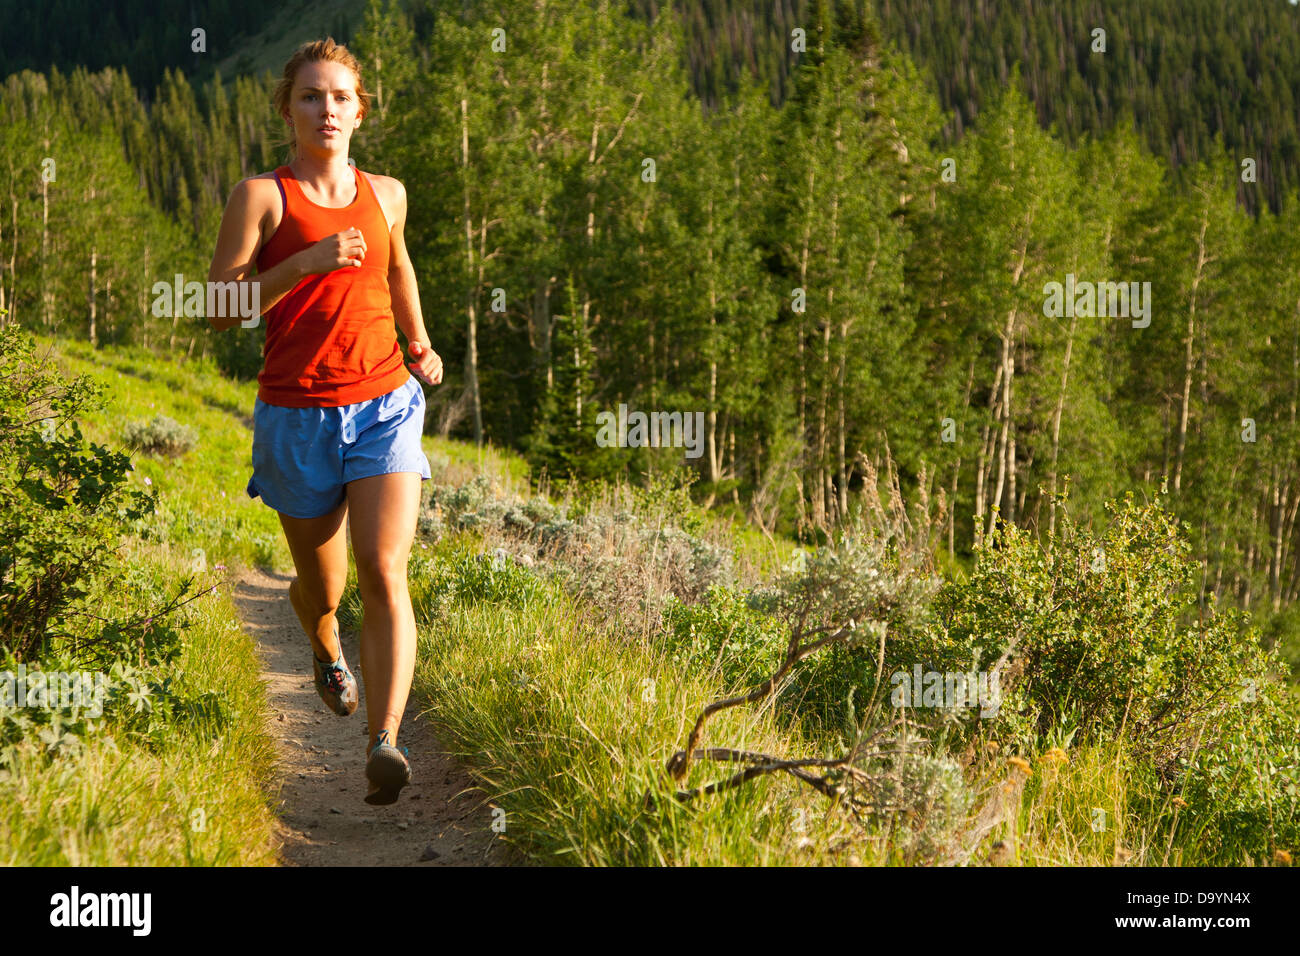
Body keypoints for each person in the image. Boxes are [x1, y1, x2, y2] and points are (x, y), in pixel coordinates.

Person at [207, 37, 443, 805]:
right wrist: (301, 264)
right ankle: (319, 638)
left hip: (383, 404)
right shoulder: (262, 197)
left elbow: (398, 265)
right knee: (326, 588)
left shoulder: (388, 192)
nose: (327, 109)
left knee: (383, 569)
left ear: (360, 110)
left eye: (341, 96)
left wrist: (419, 342)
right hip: (297, 415)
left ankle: (385, 740)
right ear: (288, 110)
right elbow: (217, 310)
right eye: (311, 95)